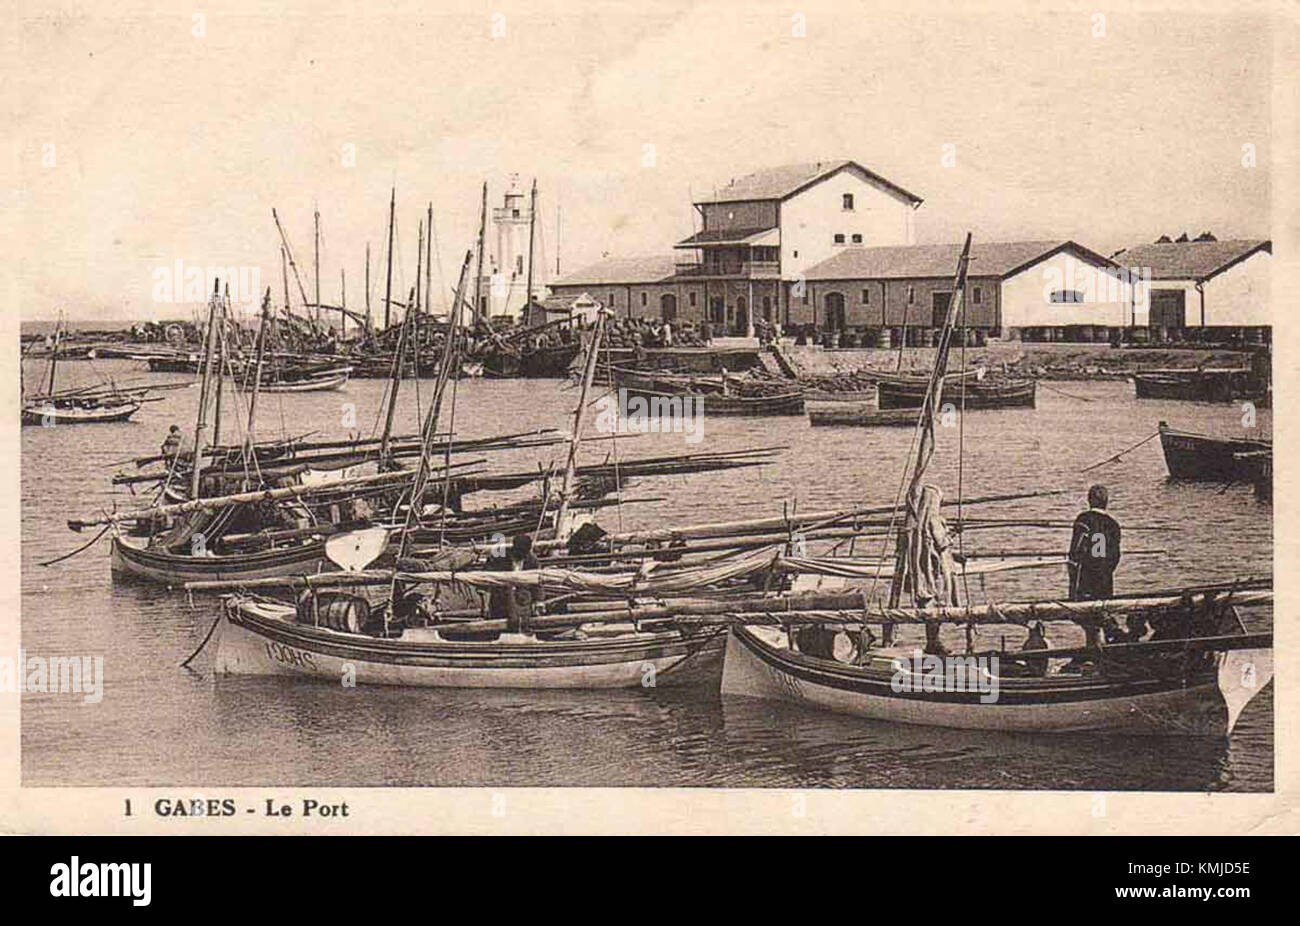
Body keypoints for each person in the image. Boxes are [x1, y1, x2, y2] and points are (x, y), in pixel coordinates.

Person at [1067, 484, 1122, 648]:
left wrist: (1072, 571)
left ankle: (1093, 650)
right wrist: (1107, 569)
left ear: (1089, 500)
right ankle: (1103, 647)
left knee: (1085, 613)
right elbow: (1115, 555)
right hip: (1105, 576)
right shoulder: (1113, 524)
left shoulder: (1084, 519)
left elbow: (1075, 549)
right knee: (1101, 609)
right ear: (1107, 502)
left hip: (1086, 575)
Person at [487, 534, 542, 634]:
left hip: (522, 598)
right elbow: (488, 576)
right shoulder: (500, 558)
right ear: (514, 548)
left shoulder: (532, 561)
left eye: (524, 552)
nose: (522, 555)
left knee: (523, 620)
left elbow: (537, 582)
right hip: (502, 597)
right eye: (520, 552)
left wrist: (538, 601)